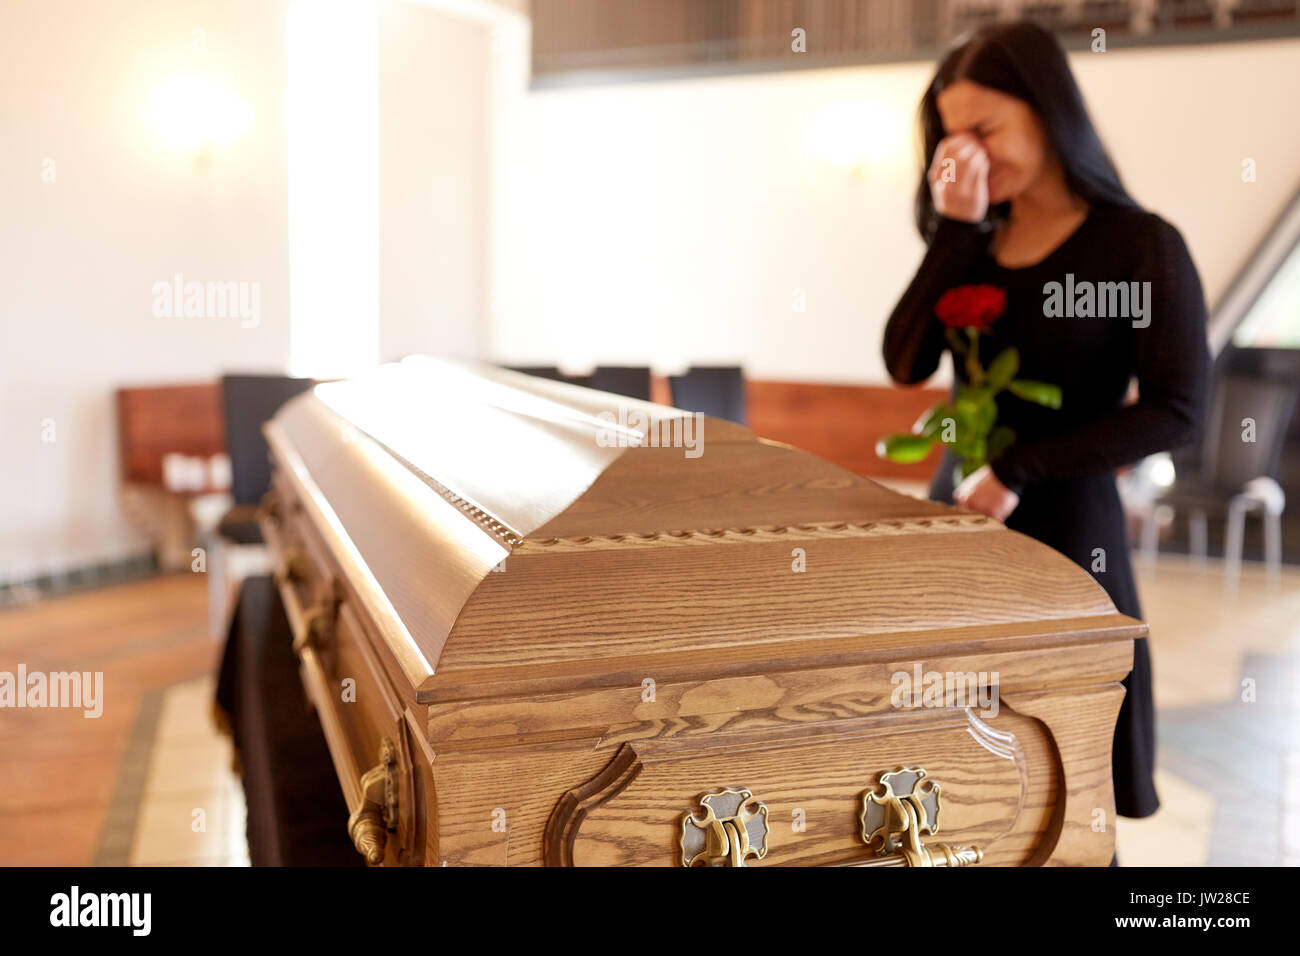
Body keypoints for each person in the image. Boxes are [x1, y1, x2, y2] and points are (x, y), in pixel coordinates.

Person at [882, 21, 1210, 856]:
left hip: (1070, 531)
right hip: (961, 522)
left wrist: (1020, 466)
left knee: (1068, 769)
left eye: (986, 130)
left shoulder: (1140, 245)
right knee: (953, 762)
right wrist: (954, 228)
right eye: (952, 137)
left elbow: (1177, 410)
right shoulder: (974, 243)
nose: (970, 154)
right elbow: (904, 359)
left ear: (1049, 112)